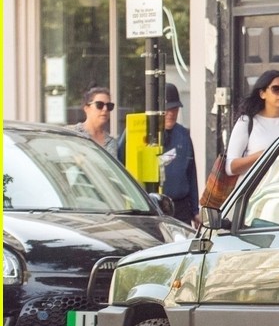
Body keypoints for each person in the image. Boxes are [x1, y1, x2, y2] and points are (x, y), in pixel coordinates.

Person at [117, 83, 199, 226]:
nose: (171, 114)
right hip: (149, 207)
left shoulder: (183, 135)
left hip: (180, 208)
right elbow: (120, 165)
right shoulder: (137, 132)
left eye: (175, 109)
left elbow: (191, 174)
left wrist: (195, 210)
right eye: (167, 110)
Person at [225, 70, 279, 178]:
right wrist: (266, 154)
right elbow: (230, 168)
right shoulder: (247, 122)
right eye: (276, 89)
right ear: (262, 94)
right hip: (256, 191)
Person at [71, 86, 118, 158]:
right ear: (87, 108)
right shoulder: (71, 134)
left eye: (109, 106)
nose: (105, 109)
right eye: (99, 105)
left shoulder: (112, 143)